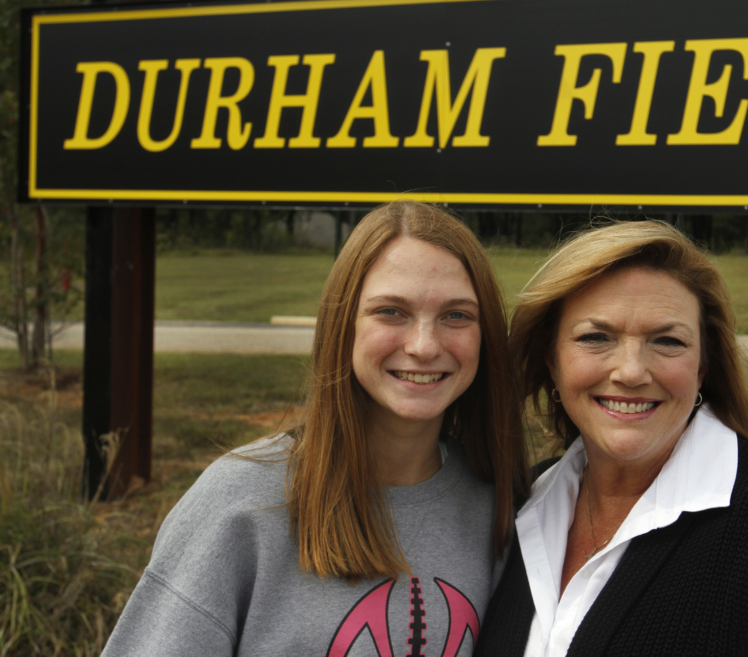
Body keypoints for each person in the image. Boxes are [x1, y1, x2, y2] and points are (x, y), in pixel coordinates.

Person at [102, 201, 529, 657]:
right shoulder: (240, 502)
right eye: (391, 311)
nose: (424, 346)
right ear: (342, 325)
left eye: (456, 315)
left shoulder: (502, 507)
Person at [475, 219, 748, 657]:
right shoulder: (520, 503)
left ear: (703, 366)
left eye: (668, 341)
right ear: (552, 359)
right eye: (596, 337)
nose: (631, 371)